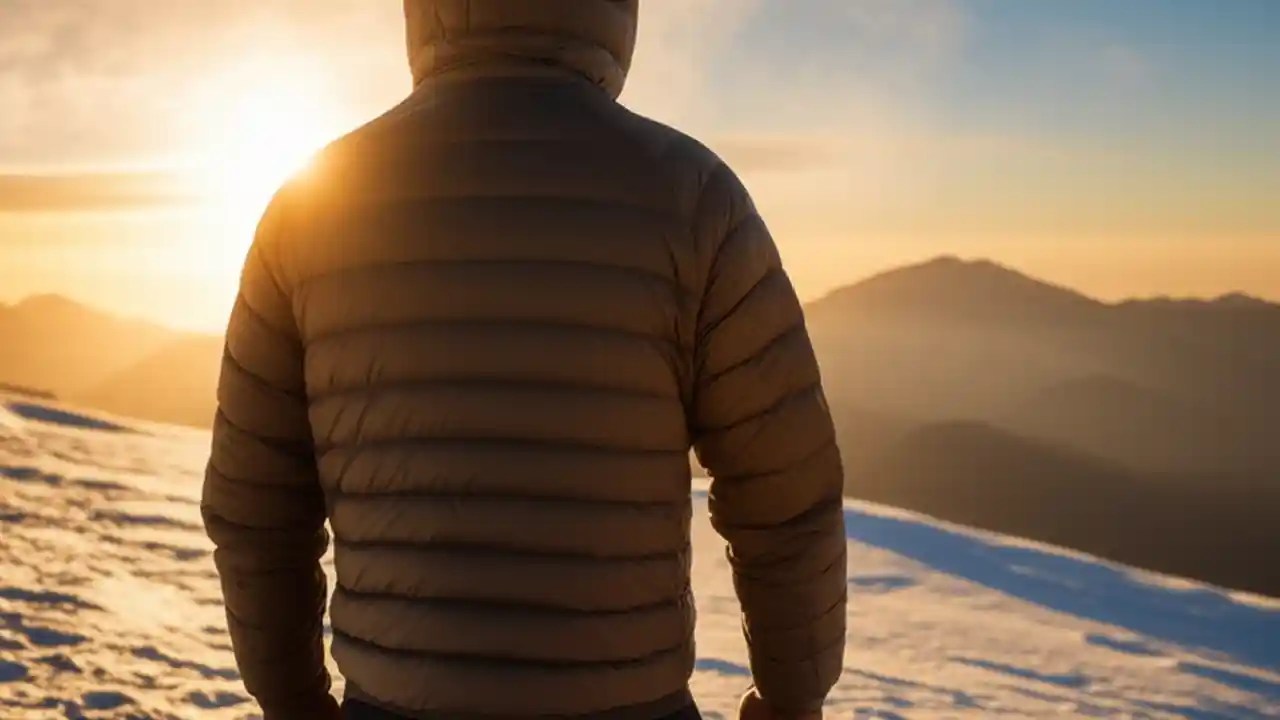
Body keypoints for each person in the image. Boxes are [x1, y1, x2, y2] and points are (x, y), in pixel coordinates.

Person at [201, 2, 848, 719]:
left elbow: (255, 508)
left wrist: (292, 700)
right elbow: (787, 501)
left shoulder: (309, 206)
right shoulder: (696, 198)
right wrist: (793, 702)